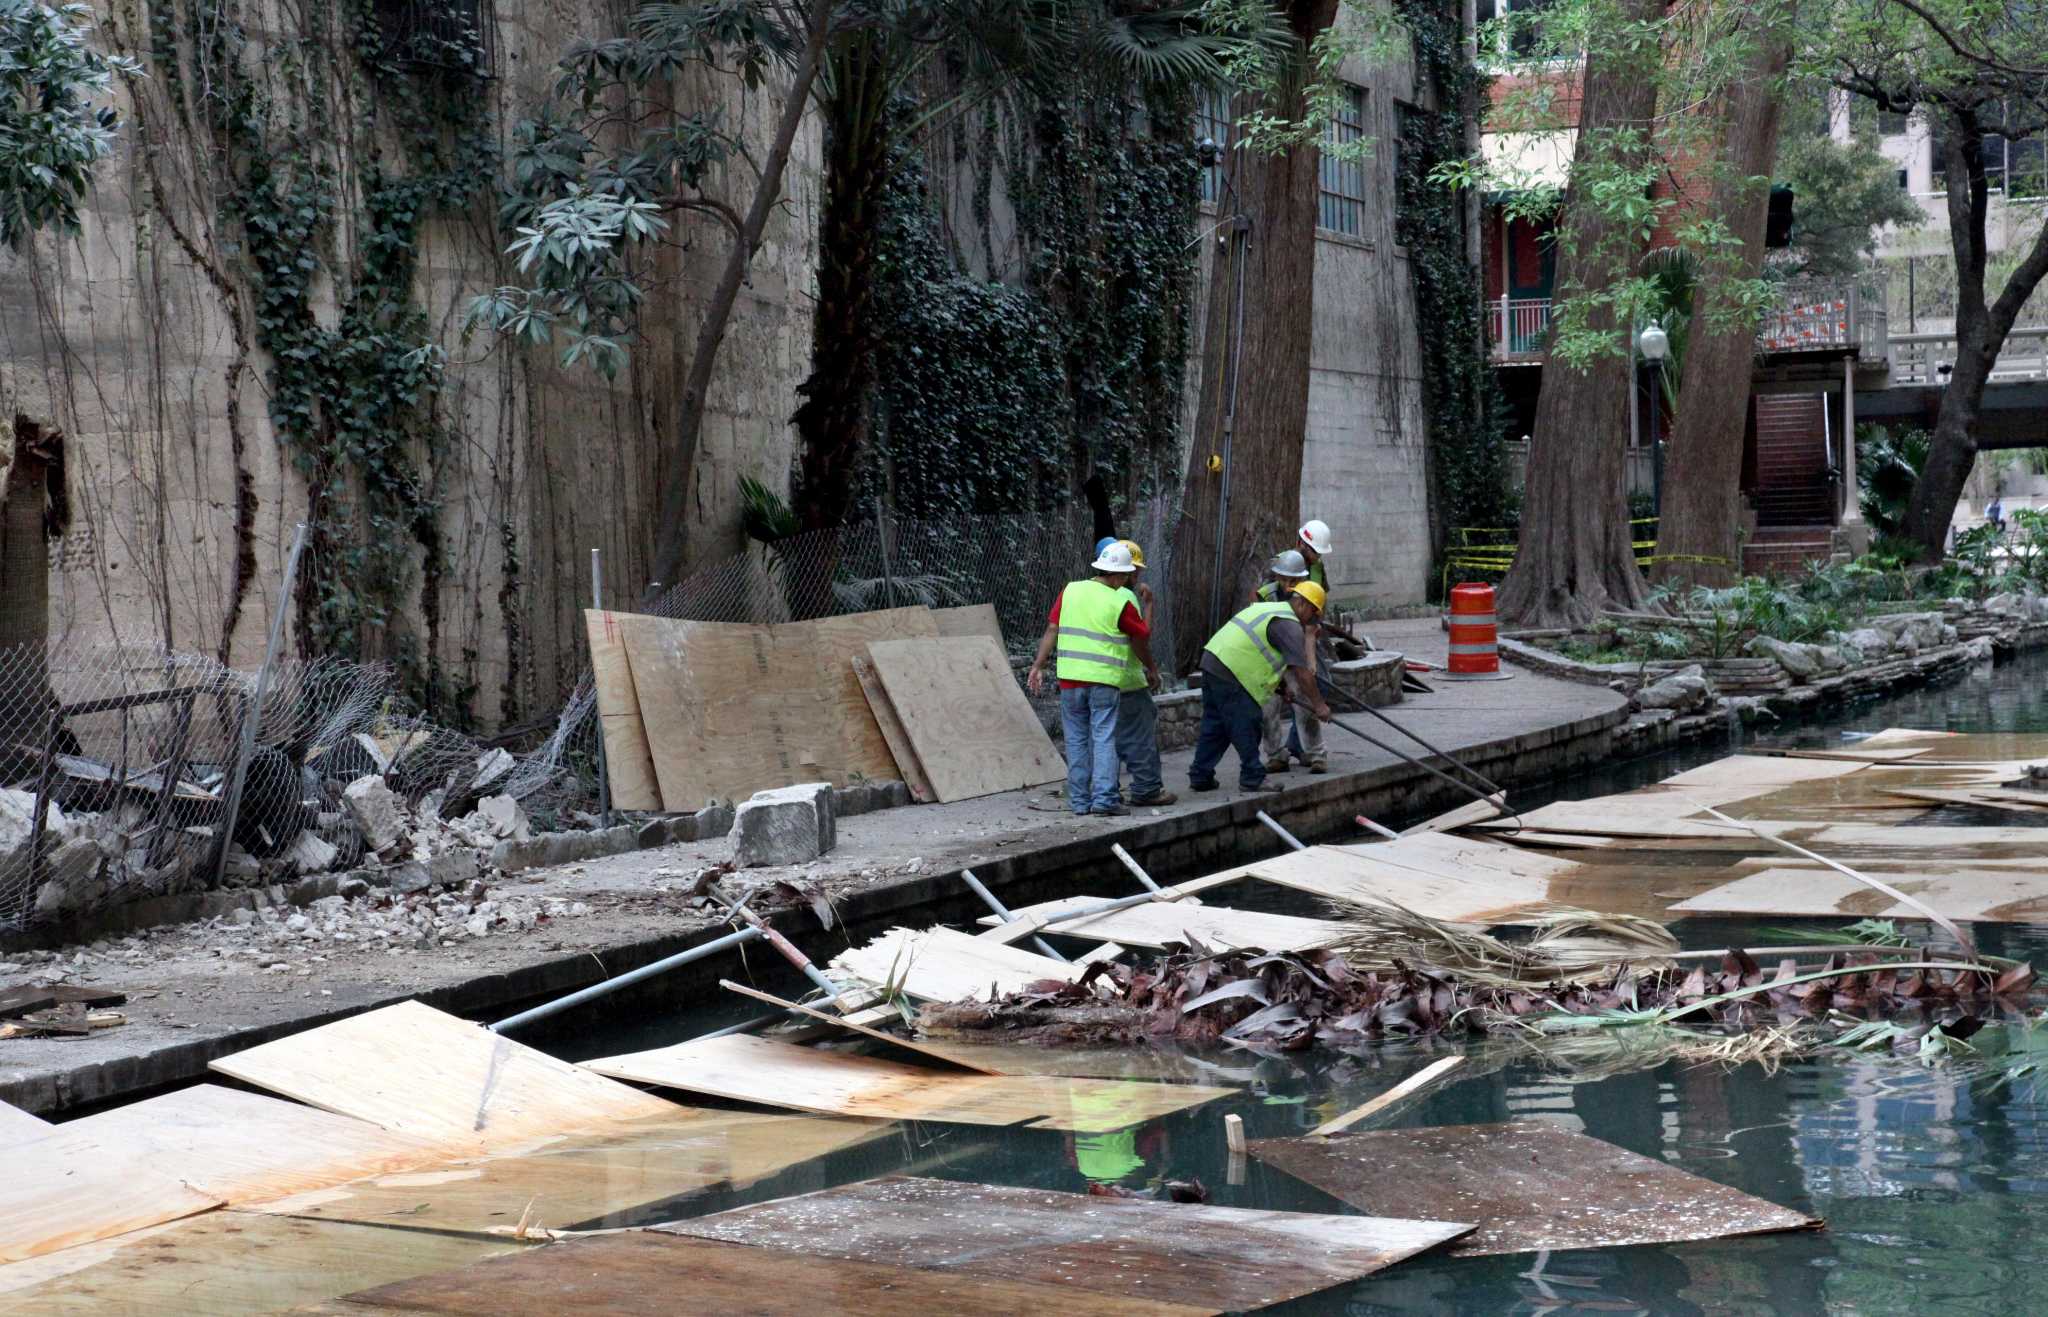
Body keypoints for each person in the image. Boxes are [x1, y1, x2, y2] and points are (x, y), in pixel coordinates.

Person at [1027, 541, 1156, 817]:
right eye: (1126, 575)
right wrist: (1152, 668)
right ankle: (1105, 800)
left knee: (1075, 741)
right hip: (1103, 681)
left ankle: (1079, 802)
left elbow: (1052, 628)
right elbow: (1141, 636)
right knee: (1103, 738)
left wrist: (1038, 665)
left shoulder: (1070, 590)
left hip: (1070, 680)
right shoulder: (1120, 599)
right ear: (1119, 575)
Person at [1188, 581, 1331, 795]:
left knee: (1215, 725)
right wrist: (1319, 706)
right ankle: (1252, 777)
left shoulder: (1270, 609)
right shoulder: (1289, 624)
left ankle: (1200, 775)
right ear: (1302, 603)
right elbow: (1302, 672)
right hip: (1232, 671)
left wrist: (1281, 687)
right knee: (1248, 722)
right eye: (1312, 612)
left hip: (1213, 661)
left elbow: (1263, 652)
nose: (1311, 619)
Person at [1110, 539, 1176, 808]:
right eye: (1135, 569)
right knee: (1140, 737)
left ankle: (1107, 791)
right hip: (1129, 680)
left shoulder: (1093, 593)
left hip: (1101, 679)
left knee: (1107, 739)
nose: (1137, 575)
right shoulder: (1126, 597)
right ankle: (1147, 789)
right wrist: (1152, 669)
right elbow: (1140, 639)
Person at [1251, 551, 1326, 774]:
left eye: (1293, 580)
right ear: (1276, 576)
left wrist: (1310, 666)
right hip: (1269, 659)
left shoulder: (1310, 595)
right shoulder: (1263, 595)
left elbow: (1310, 633)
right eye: (1283, 579)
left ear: (1302, 579)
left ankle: (1316, 754)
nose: (1287, 585)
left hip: (1295, 657)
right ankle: (1276, 755)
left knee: (1306, 704)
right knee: (1268, 708)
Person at [1298, 519, 1333, 593]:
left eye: (1320, 552)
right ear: (1302, 544)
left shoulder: (1318, 565)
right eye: (1315, 551)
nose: (1318, 556)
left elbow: (1323, 594)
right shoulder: (1284, 562)